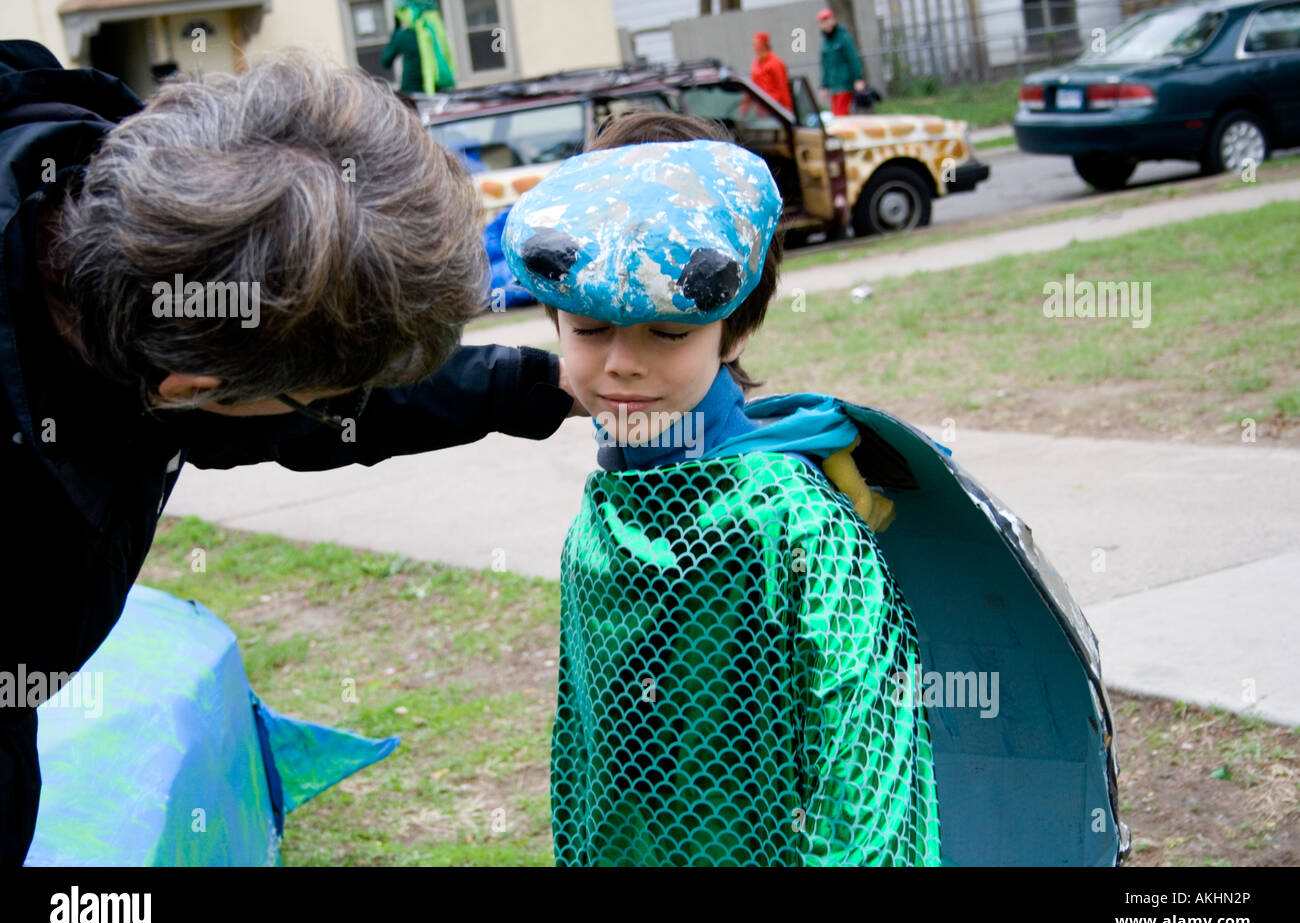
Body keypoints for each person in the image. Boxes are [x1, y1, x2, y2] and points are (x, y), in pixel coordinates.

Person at [0, 40, 581, 866]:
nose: (345, 414)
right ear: (188, 386)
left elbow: (309, 383)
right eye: (334, 402)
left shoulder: (147, 234)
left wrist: (545, 385)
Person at [502, 112, 943, 866]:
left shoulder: (794, 523)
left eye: (668, 332)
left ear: (733, 330)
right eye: (587, 328)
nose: (621, 365)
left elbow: (865, 776)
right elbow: (596, 770)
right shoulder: (602, 518)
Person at [817, 7, 866, 116]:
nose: (827, 23)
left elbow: (853, 59)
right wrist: (824, 85)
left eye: (828, 19)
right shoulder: (825, 43)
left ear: (833, 20)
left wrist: (858, 78)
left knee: (841, 114)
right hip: (834, 85)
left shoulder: (843, 37)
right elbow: (825, 66)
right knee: (836, 114)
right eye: (823, 21)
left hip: (845, 83)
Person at [749, 31, 793, 111]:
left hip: (774, 105)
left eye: (757, 45)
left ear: (763, 45)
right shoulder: (755, 63)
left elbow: (782, 86)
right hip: (761, 106)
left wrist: (787, 108)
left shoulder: (775, 63)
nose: (754, 48)